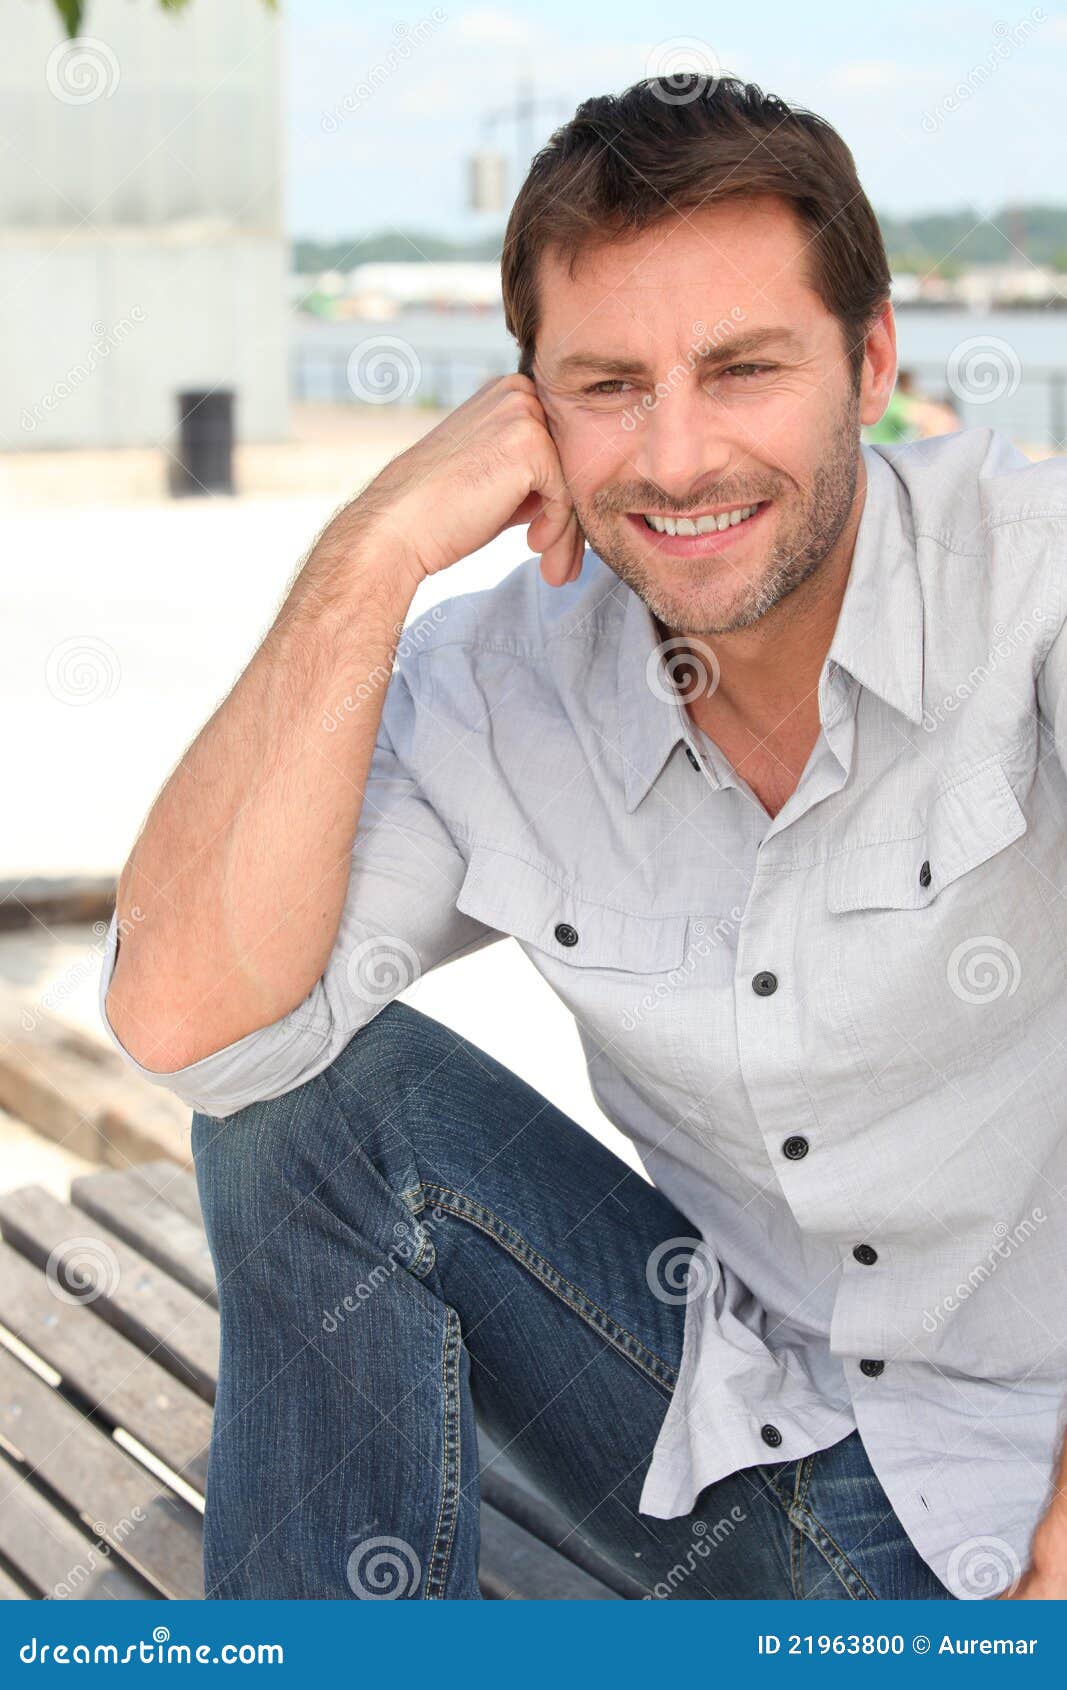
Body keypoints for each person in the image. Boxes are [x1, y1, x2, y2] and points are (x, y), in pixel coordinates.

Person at [99, 75, 1067, 1601]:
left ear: (872, 362)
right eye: (608, 385)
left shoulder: (1034, 580)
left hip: (1033, 1474)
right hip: (741, 1442)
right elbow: (191, 1024)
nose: (677, 459)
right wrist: (371, 556)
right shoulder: (504, 676)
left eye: (743, 368)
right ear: (527, 402)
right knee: (298, 1105)